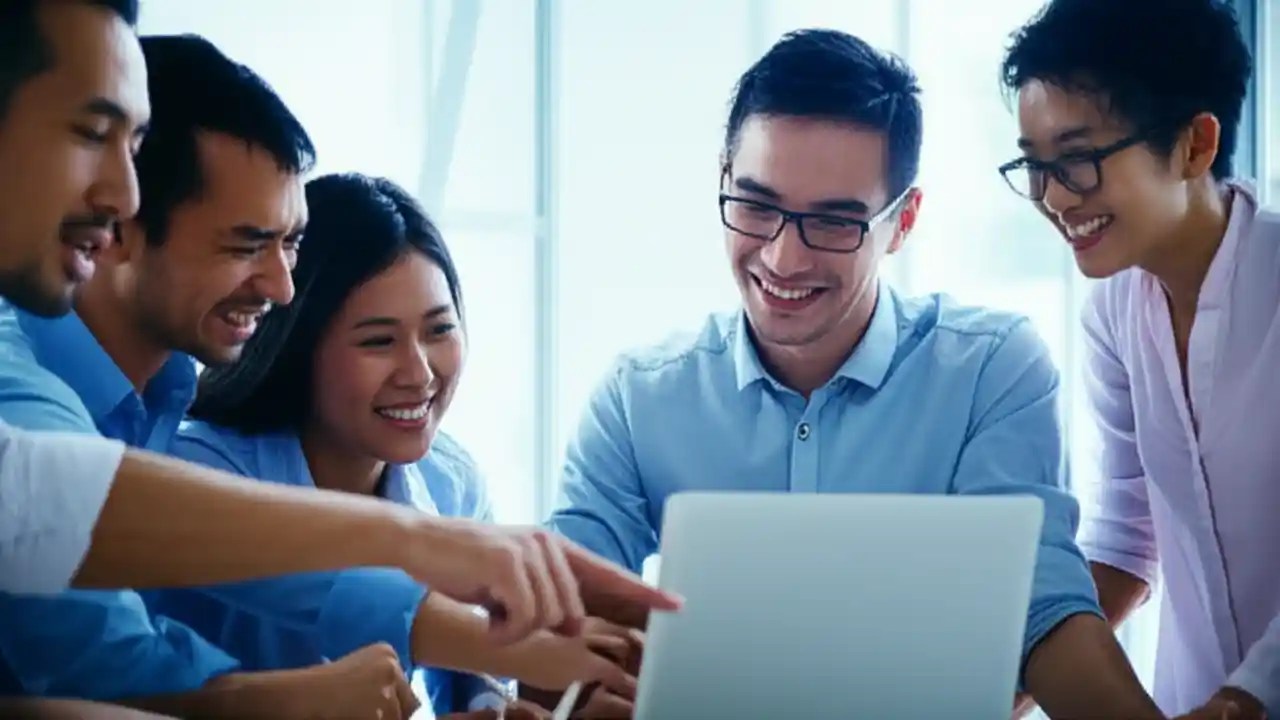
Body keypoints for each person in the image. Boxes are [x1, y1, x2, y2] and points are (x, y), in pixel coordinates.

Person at [0, 29, 665, 720]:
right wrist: (281, 700)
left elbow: (275, 567)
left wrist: (500, 637)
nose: (283, 289)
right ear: (126, 235)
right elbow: (87, 625)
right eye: (246, 245)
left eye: (288, 243)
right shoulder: (28, 389)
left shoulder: (160, 397)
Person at [539, 28, 1165, 718]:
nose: (782, 259)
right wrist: (581, 691)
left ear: (903, 222)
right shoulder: (639, 399)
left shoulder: (990, 371)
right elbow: (552, 619)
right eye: (756, 205)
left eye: (834, 223)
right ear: (723, 180)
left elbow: (1041, 607)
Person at [152, 172, 640, 719]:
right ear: (297, 347)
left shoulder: (449, 478)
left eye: (439, 330)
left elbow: (466, 678)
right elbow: (346, 592)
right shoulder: (199, 468)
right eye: (378, 341)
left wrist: (501, 706)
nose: (419, 372)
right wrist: (533, 650)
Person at [999, 1, 1276, 718]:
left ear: (1195, 145)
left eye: (1080, 160)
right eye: (1035, 165)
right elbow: (1125, 542)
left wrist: (1244, 701)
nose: (1054, 197)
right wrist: (997, 688)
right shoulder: (1115, 312)